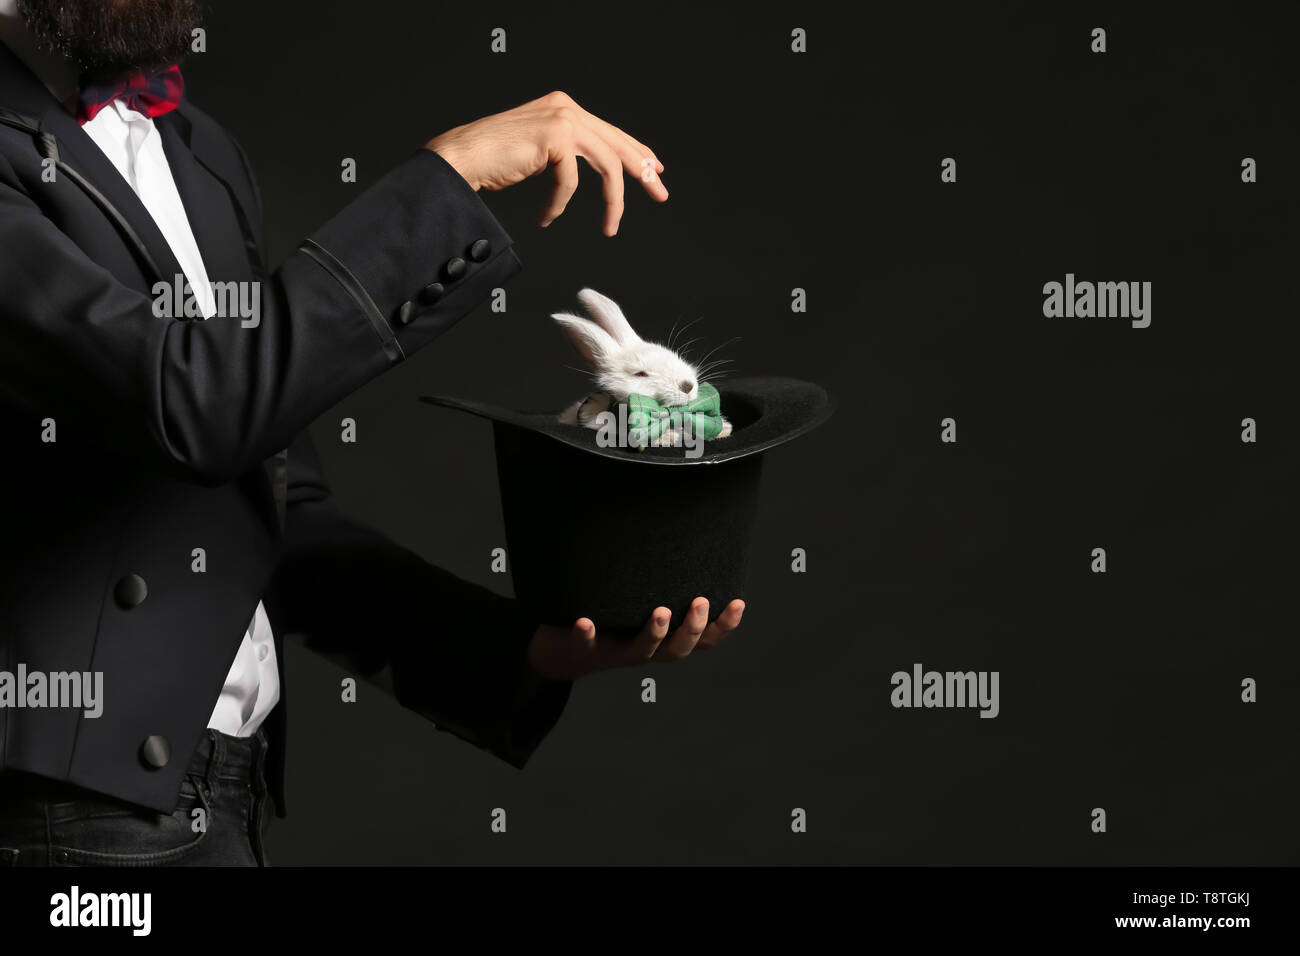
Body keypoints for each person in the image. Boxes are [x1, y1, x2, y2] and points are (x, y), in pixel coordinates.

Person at [0, 0, 744, 867]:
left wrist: (516, 651)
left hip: (223, 799)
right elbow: (194, 402)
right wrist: (447, 180)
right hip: (55, 817)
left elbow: (273, 505)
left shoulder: (202, 154)